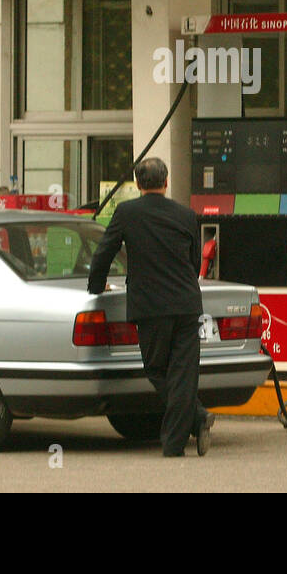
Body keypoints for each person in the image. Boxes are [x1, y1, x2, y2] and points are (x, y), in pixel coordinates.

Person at [88, 157, 214, 458]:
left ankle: (193, 422)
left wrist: (96, 285)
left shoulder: (127, 212)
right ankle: (182, 434)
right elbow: (194, 261)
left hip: (151, 306)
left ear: (137, 184)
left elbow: (105, 251)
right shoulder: (186, 215)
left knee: (157, 369)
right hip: (186, 304)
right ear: (166, 182)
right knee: (183, 372)